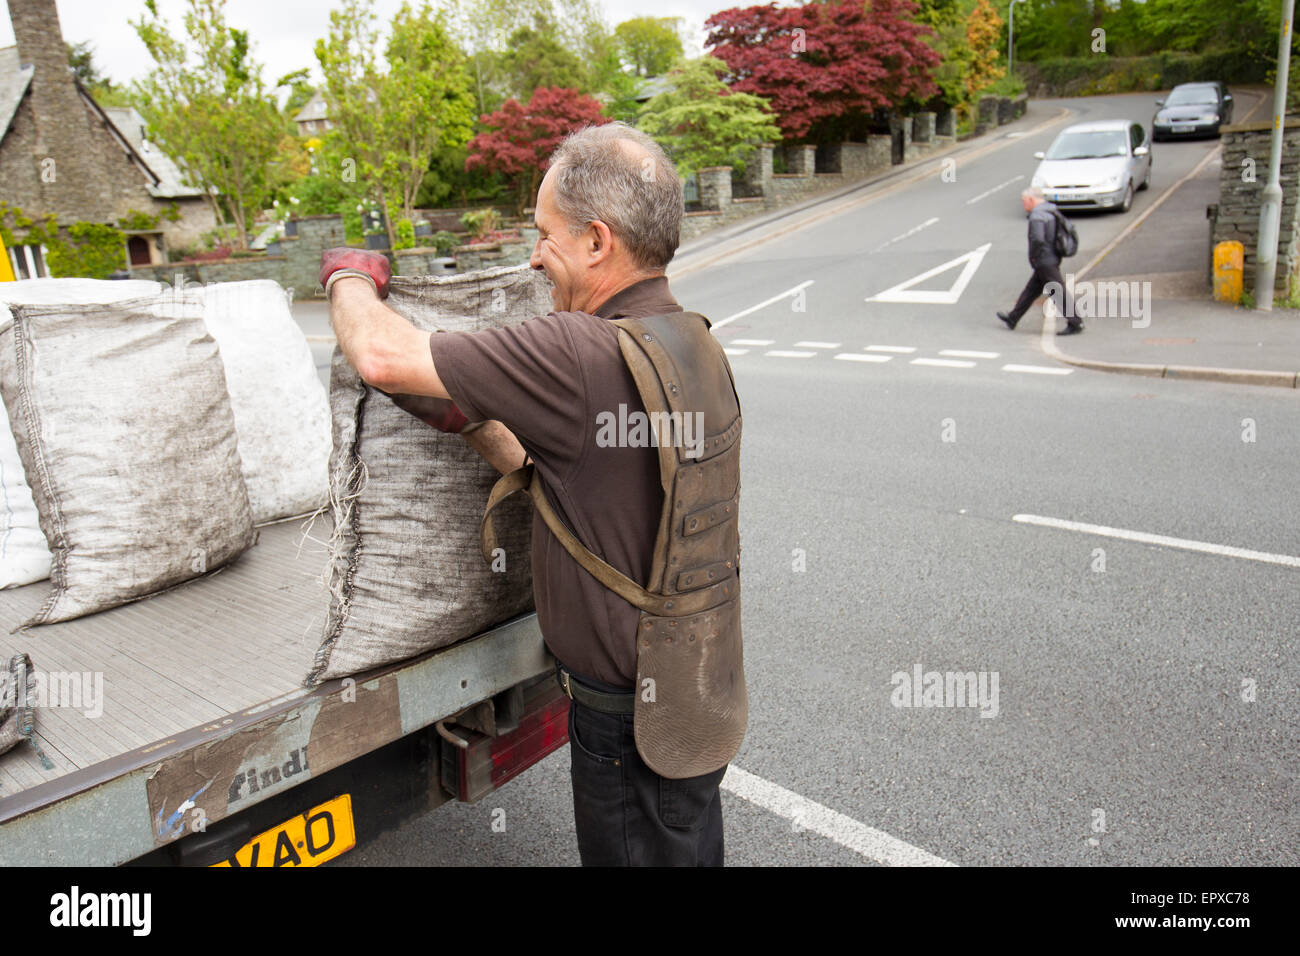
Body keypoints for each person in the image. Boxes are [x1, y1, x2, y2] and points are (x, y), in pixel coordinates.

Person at [321, 122, 738, 866]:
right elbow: (601, 468)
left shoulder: (576, 351)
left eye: (546, 234)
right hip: (692, 684)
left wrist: (348, 277)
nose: (534, 255)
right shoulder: (689, 341)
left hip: (626, 721)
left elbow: (382, 357)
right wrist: (479, 417)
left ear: (597, 242)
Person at [997, 187, 1082, 335]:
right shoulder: (1051, 210)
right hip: (1052, 256)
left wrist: (1034, 257)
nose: (1024, 205)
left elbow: (1037, 239)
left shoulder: (1037, 215)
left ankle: (1075, 322)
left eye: (1024, 201)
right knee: (1031, 290)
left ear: (1031, 199)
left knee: (1057, 292)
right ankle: (1013, 318)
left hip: (1044, 260)